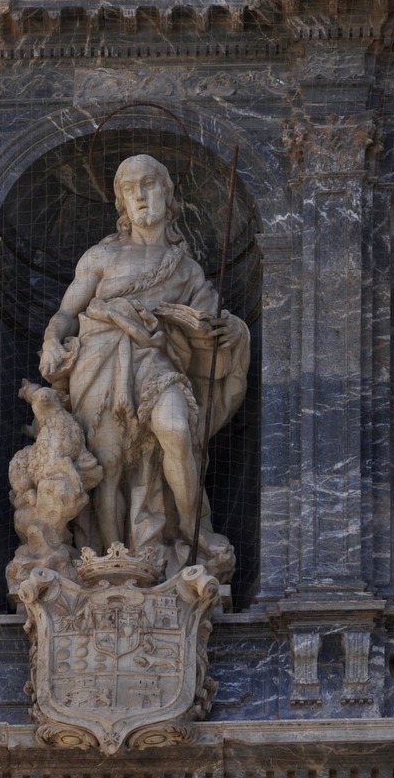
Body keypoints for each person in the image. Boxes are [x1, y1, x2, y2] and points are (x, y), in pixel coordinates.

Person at [38, 154, 248, 583]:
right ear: (120, 201)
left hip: (157, 361)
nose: (139, 194)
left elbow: (206, 331)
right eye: (128, 188)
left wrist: (230, 330)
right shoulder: (101, 257)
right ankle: (108, 564)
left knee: (175, 429)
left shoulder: (186, 270)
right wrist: (50, 342)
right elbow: (65, 314)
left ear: (167, 194)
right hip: (99, 359)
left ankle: (194, 534)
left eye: (148, 184)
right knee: (108, 466)